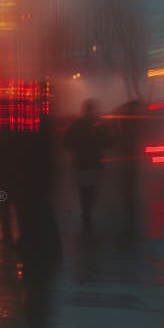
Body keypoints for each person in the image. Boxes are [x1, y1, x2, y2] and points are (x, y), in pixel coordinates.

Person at [64, 98, 112, 233]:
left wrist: (77, 148)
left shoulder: (76, 125)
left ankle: (86, 212)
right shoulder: (98, 125)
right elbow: (108, 143)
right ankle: (88, 212)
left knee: (84, 191)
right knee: (92, 190)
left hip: (81, 164)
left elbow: (66, 143)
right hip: (94, 164)